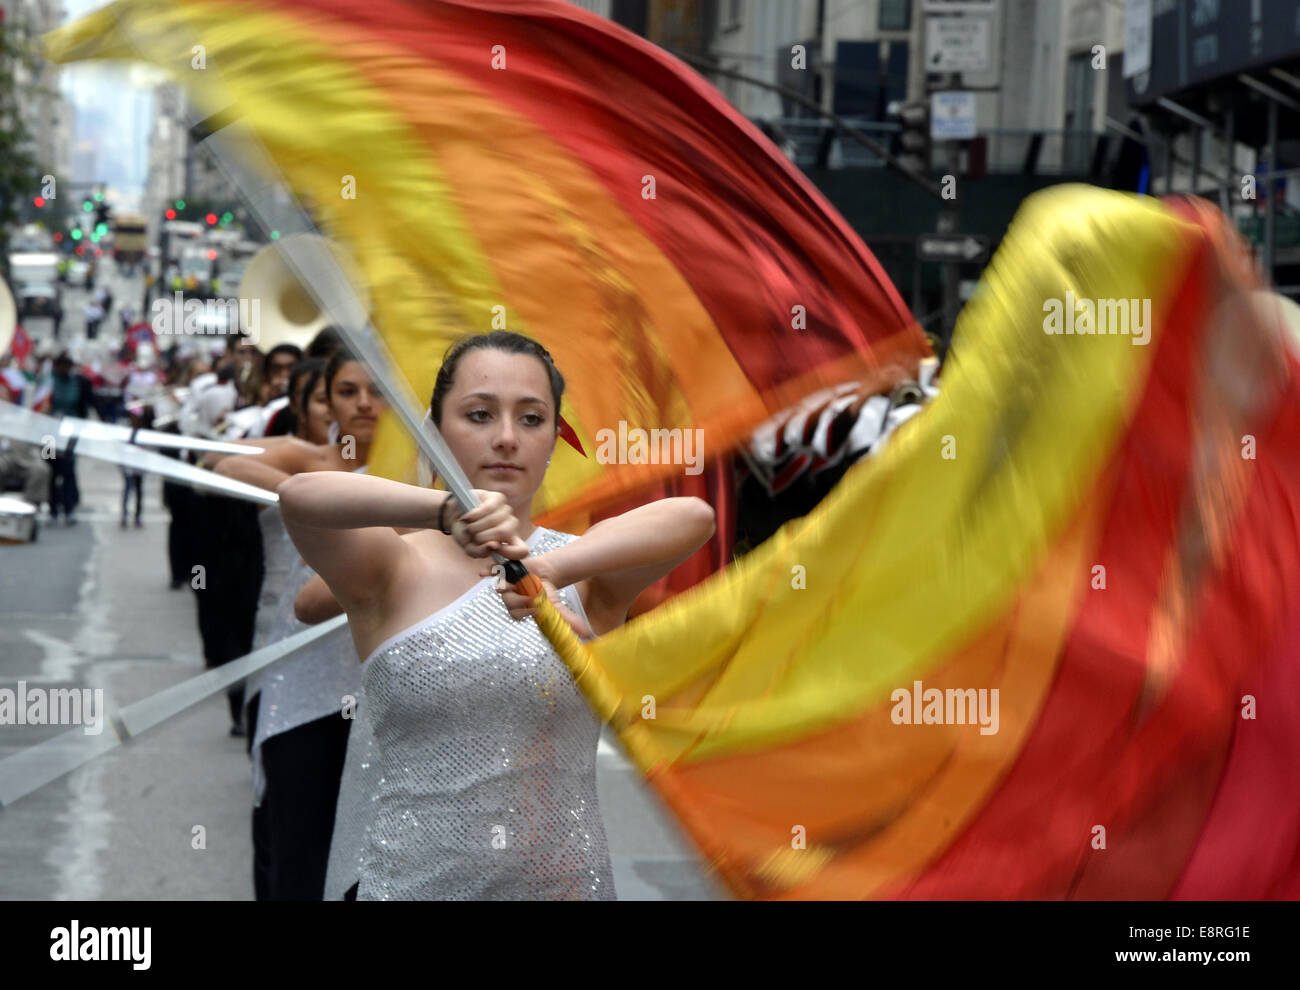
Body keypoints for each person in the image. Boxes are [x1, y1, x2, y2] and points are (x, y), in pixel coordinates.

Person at [280, 331, 716, 900]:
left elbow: (693, 516)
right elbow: (300, 499)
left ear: (554, 440)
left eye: (532, 419)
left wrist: (551, 569)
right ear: (435, 431)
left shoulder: (586, 574)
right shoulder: (393, 567)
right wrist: (443, 510)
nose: (507, 438)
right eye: (480, 415)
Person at [204, 348, 386, 899]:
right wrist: (312, 482)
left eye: (376, 391)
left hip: (379, 686)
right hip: (300, 680)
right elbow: (223, 462)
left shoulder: (422, 479)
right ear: (325, 400)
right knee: (297, 848)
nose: (363, 404)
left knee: (366, 856)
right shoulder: (310, 462)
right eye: (348, 391)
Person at [46, 353, 92, 525]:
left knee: (68, 468)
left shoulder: (77, 382)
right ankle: (52, 508)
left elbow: (83, 404)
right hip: (49, 433)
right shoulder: (49, 382)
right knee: (51, 469)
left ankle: (69, 507)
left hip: (70, 431)